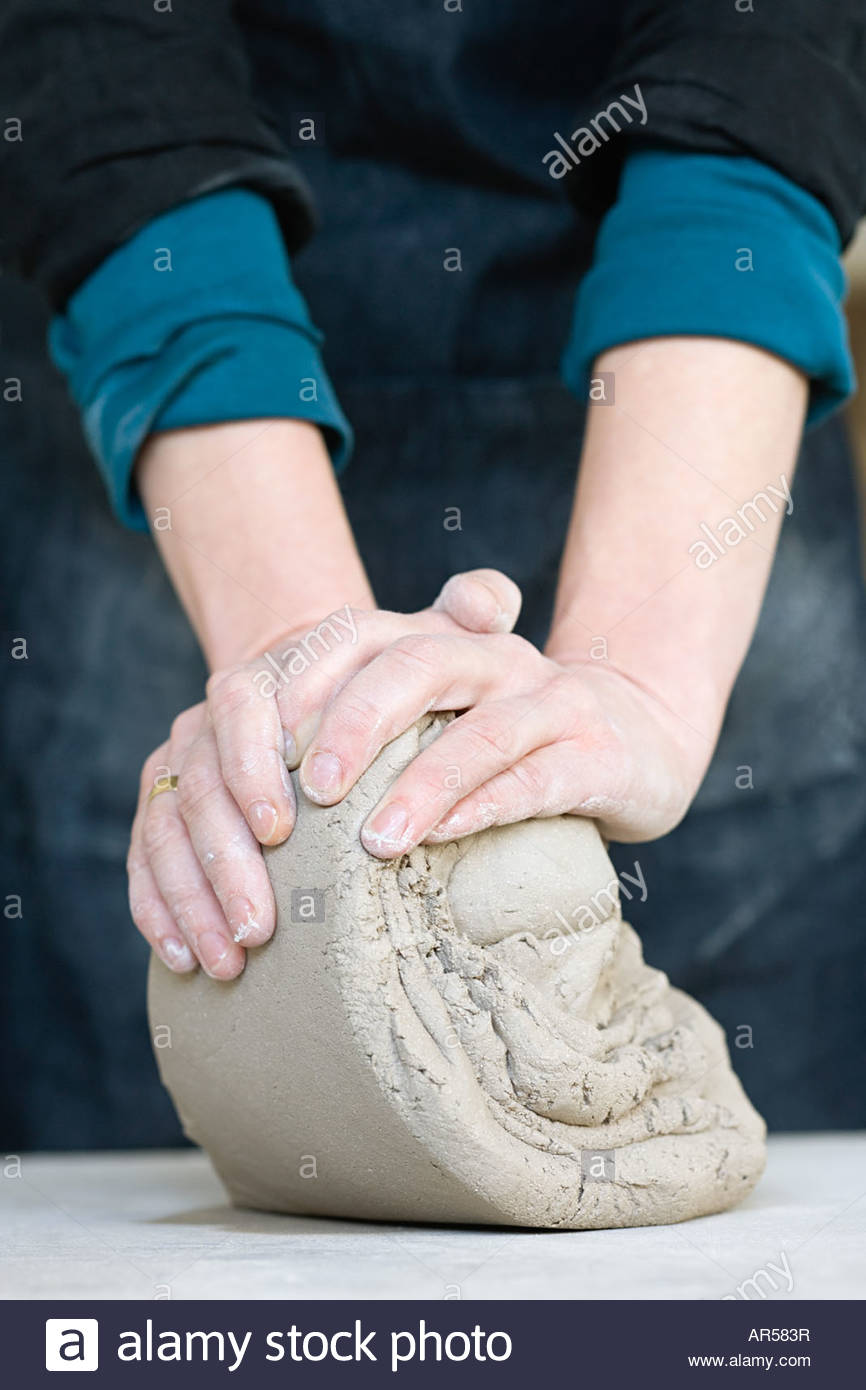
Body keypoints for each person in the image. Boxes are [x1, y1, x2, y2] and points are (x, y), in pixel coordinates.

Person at [2, 1, 865, 1148]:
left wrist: (640, 676)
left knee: (725, 1290)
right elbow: (102, 57)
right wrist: (315, 720)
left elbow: (761, 51)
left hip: (692, 429)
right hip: (170, 417)